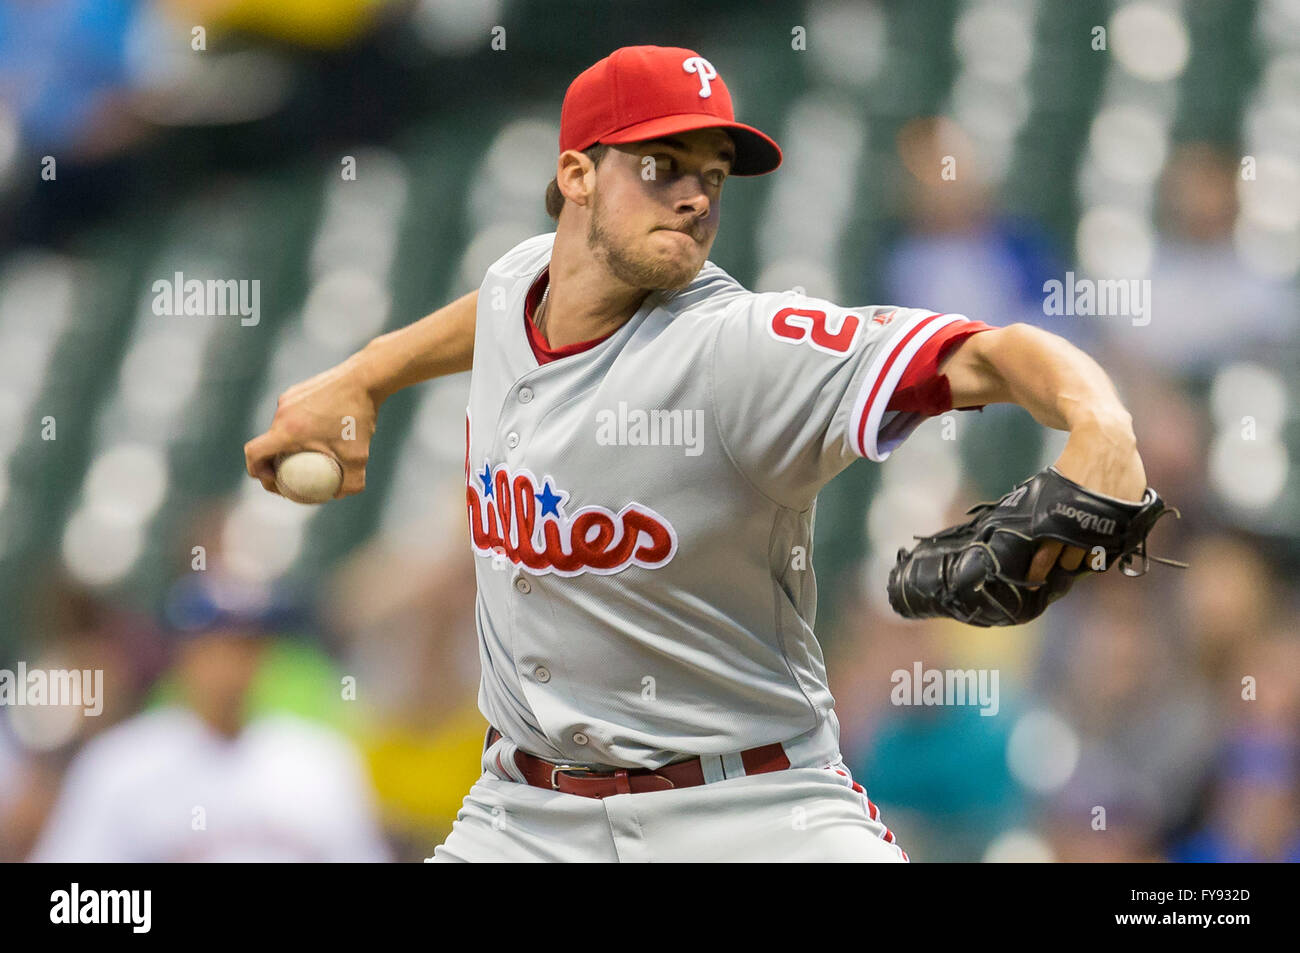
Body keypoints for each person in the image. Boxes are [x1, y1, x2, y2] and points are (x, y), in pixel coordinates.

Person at [246, 45, 1150, 862]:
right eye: (661, 166)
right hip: (526, 815)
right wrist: (360, 376)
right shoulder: (523, 280)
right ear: (576, 177)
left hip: (752, 807)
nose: (696, 196)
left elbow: (985, 352)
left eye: (713, 175)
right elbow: (489, 311)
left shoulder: (743, 347)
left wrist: (1101, 425)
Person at [28, 573, 390, 862]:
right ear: (184, 653)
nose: (231, 666)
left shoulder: (321, 759)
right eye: (217, 646)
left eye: (247, 646)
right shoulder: (120, 763)